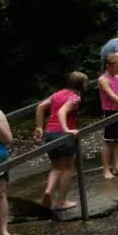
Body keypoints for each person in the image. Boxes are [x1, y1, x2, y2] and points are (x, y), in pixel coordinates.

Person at [32, 72, 86, 213]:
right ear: (82, 85)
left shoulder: (57, 94)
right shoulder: (75, 97)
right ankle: (62, 202)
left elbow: (40, 107)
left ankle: (49, 191)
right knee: (67, 168)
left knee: (56, 167)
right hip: (63, 136)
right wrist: (66, 129)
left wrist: (39, 127)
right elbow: (62, 111)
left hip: (50, 134)